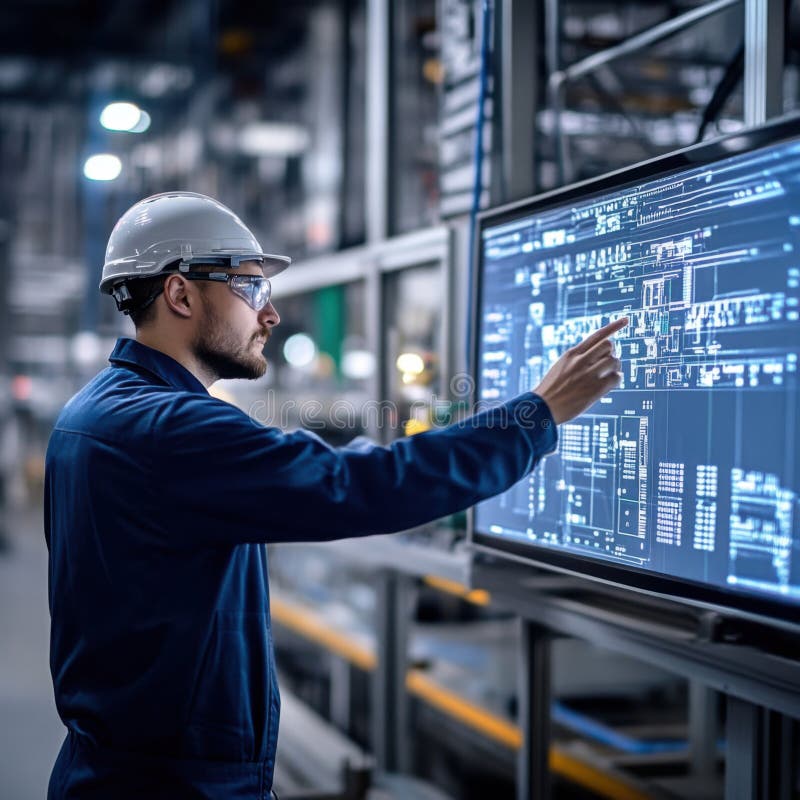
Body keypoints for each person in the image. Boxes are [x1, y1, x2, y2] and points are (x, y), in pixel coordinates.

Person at [44, 192, 627, 799]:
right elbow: (360, 486)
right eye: (252, 290)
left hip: (108, 769)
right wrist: (536, 416)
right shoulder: (170, 430)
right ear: (181, 294)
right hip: (173, 784)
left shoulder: (89, 415)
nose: (269, 316)